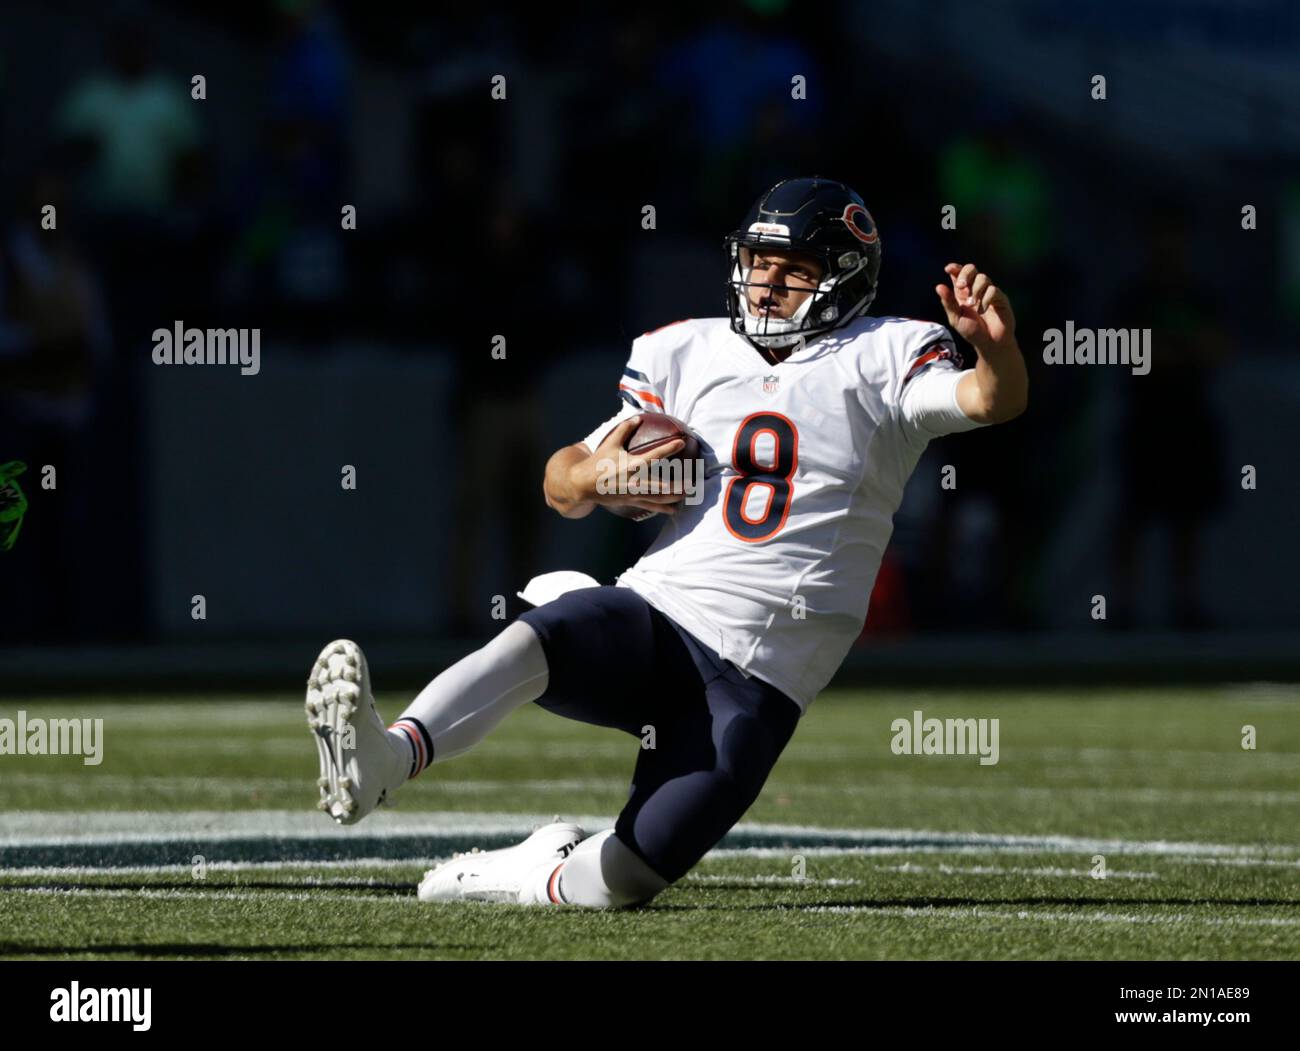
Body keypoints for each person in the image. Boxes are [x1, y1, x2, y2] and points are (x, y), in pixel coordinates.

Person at [305, 177, 1028, 907]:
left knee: (628, 878)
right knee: (540, 638)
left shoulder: (884, 355)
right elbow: (560, 480)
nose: (767, 284)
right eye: (757, 261)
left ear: (843, 278)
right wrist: (597, 473)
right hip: (659, 614)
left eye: (794, 270)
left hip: (761, 681)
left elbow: (990, 399)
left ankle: (530, 872)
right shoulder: (686, 351)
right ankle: (383, 758)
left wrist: (994, 351)